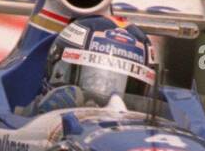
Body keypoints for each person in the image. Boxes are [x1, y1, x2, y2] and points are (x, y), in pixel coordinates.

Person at [18, 15, 160, 115]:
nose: (114, 104)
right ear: (56, 70)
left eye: (128, 88)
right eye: (93, 80)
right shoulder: (26, 122)